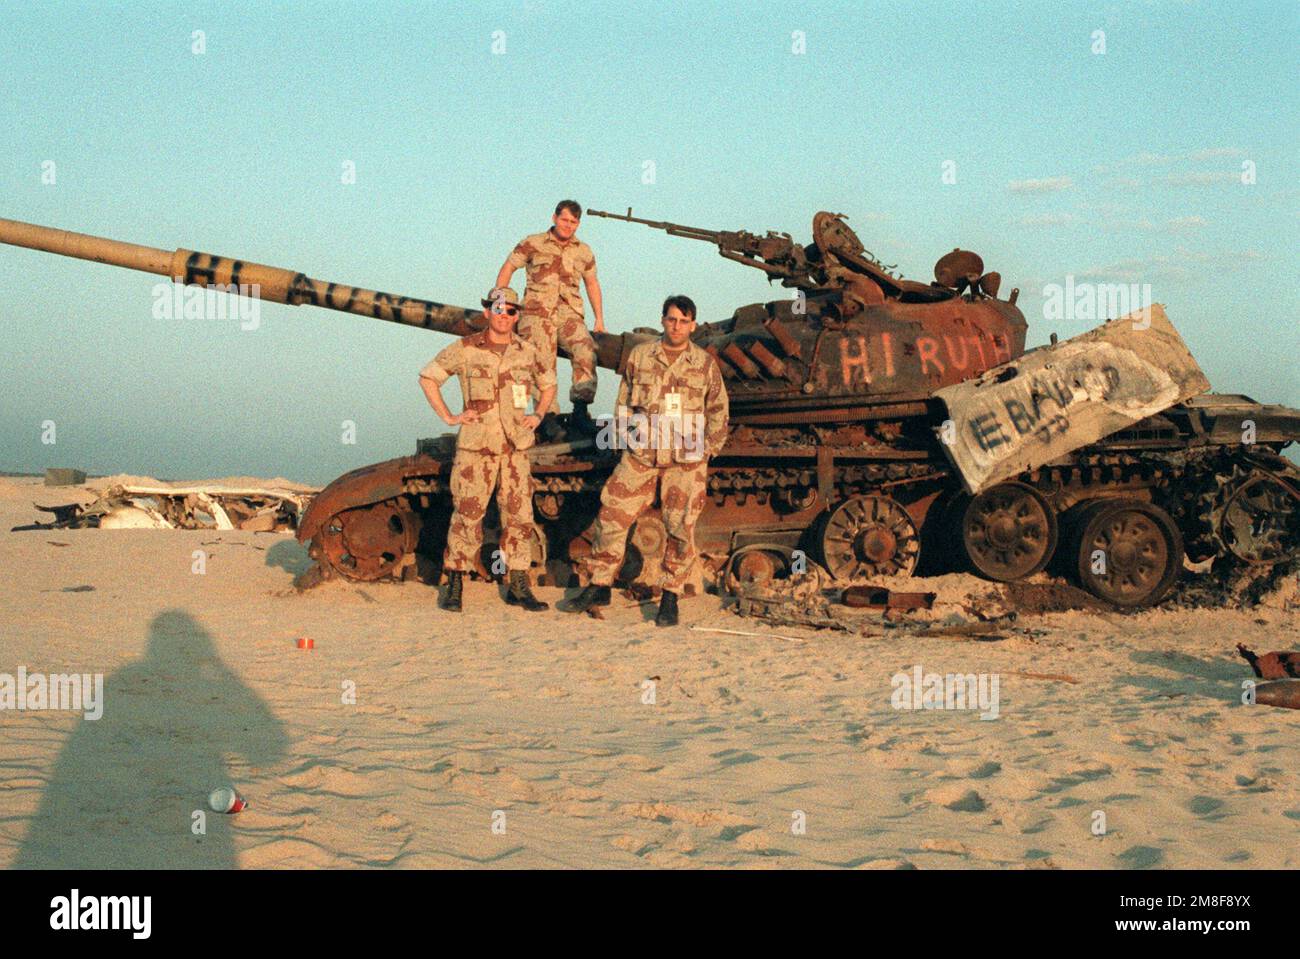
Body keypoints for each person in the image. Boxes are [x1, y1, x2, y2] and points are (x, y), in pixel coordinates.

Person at [563, 295, 728, 627]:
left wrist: (709, 449)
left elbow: (718, 409)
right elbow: (624, 400)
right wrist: (624, 436)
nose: (677, 326)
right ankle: (599, 585)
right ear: (663, 320)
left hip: (685, 459)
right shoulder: (641, 356)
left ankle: (670, 596)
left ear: (692, 325)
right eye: (671, 319)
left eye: (683, 321)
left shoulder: (704, 364)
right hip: (641, 455)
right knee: (610, 515)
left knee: (680, 529)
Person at [419, 287, 556, 612]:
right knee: (467, 514)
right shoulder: (466, 349)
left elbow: (548, 384)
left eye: (511, 310)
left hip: (514, 448)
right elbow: (428, 377)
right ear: (487, 312)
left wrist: (537, 414)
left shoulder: (527, 351)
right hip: (476, 448)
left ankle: (519, 585)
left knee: (519, 516)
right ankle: (454, 583)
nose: (504, 315)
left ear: (517, 315)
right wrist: (450, 416)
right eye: (498, 309)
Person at [495, 200, 603, 422]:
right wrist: (500, 305)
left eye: (573, 222)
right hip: (536, 313)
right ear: (554, 218)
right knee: (541, 362)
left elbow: (592, 283)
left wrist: (599, 319)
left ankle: (580, 410)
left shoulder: (584, 251)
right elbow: (508, 268)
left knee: (585, 350)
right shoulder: (533, 243)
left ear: (578, 224)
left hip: (569, 315)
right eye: (564, 220)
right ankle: (548, 417)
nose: (568, 225)